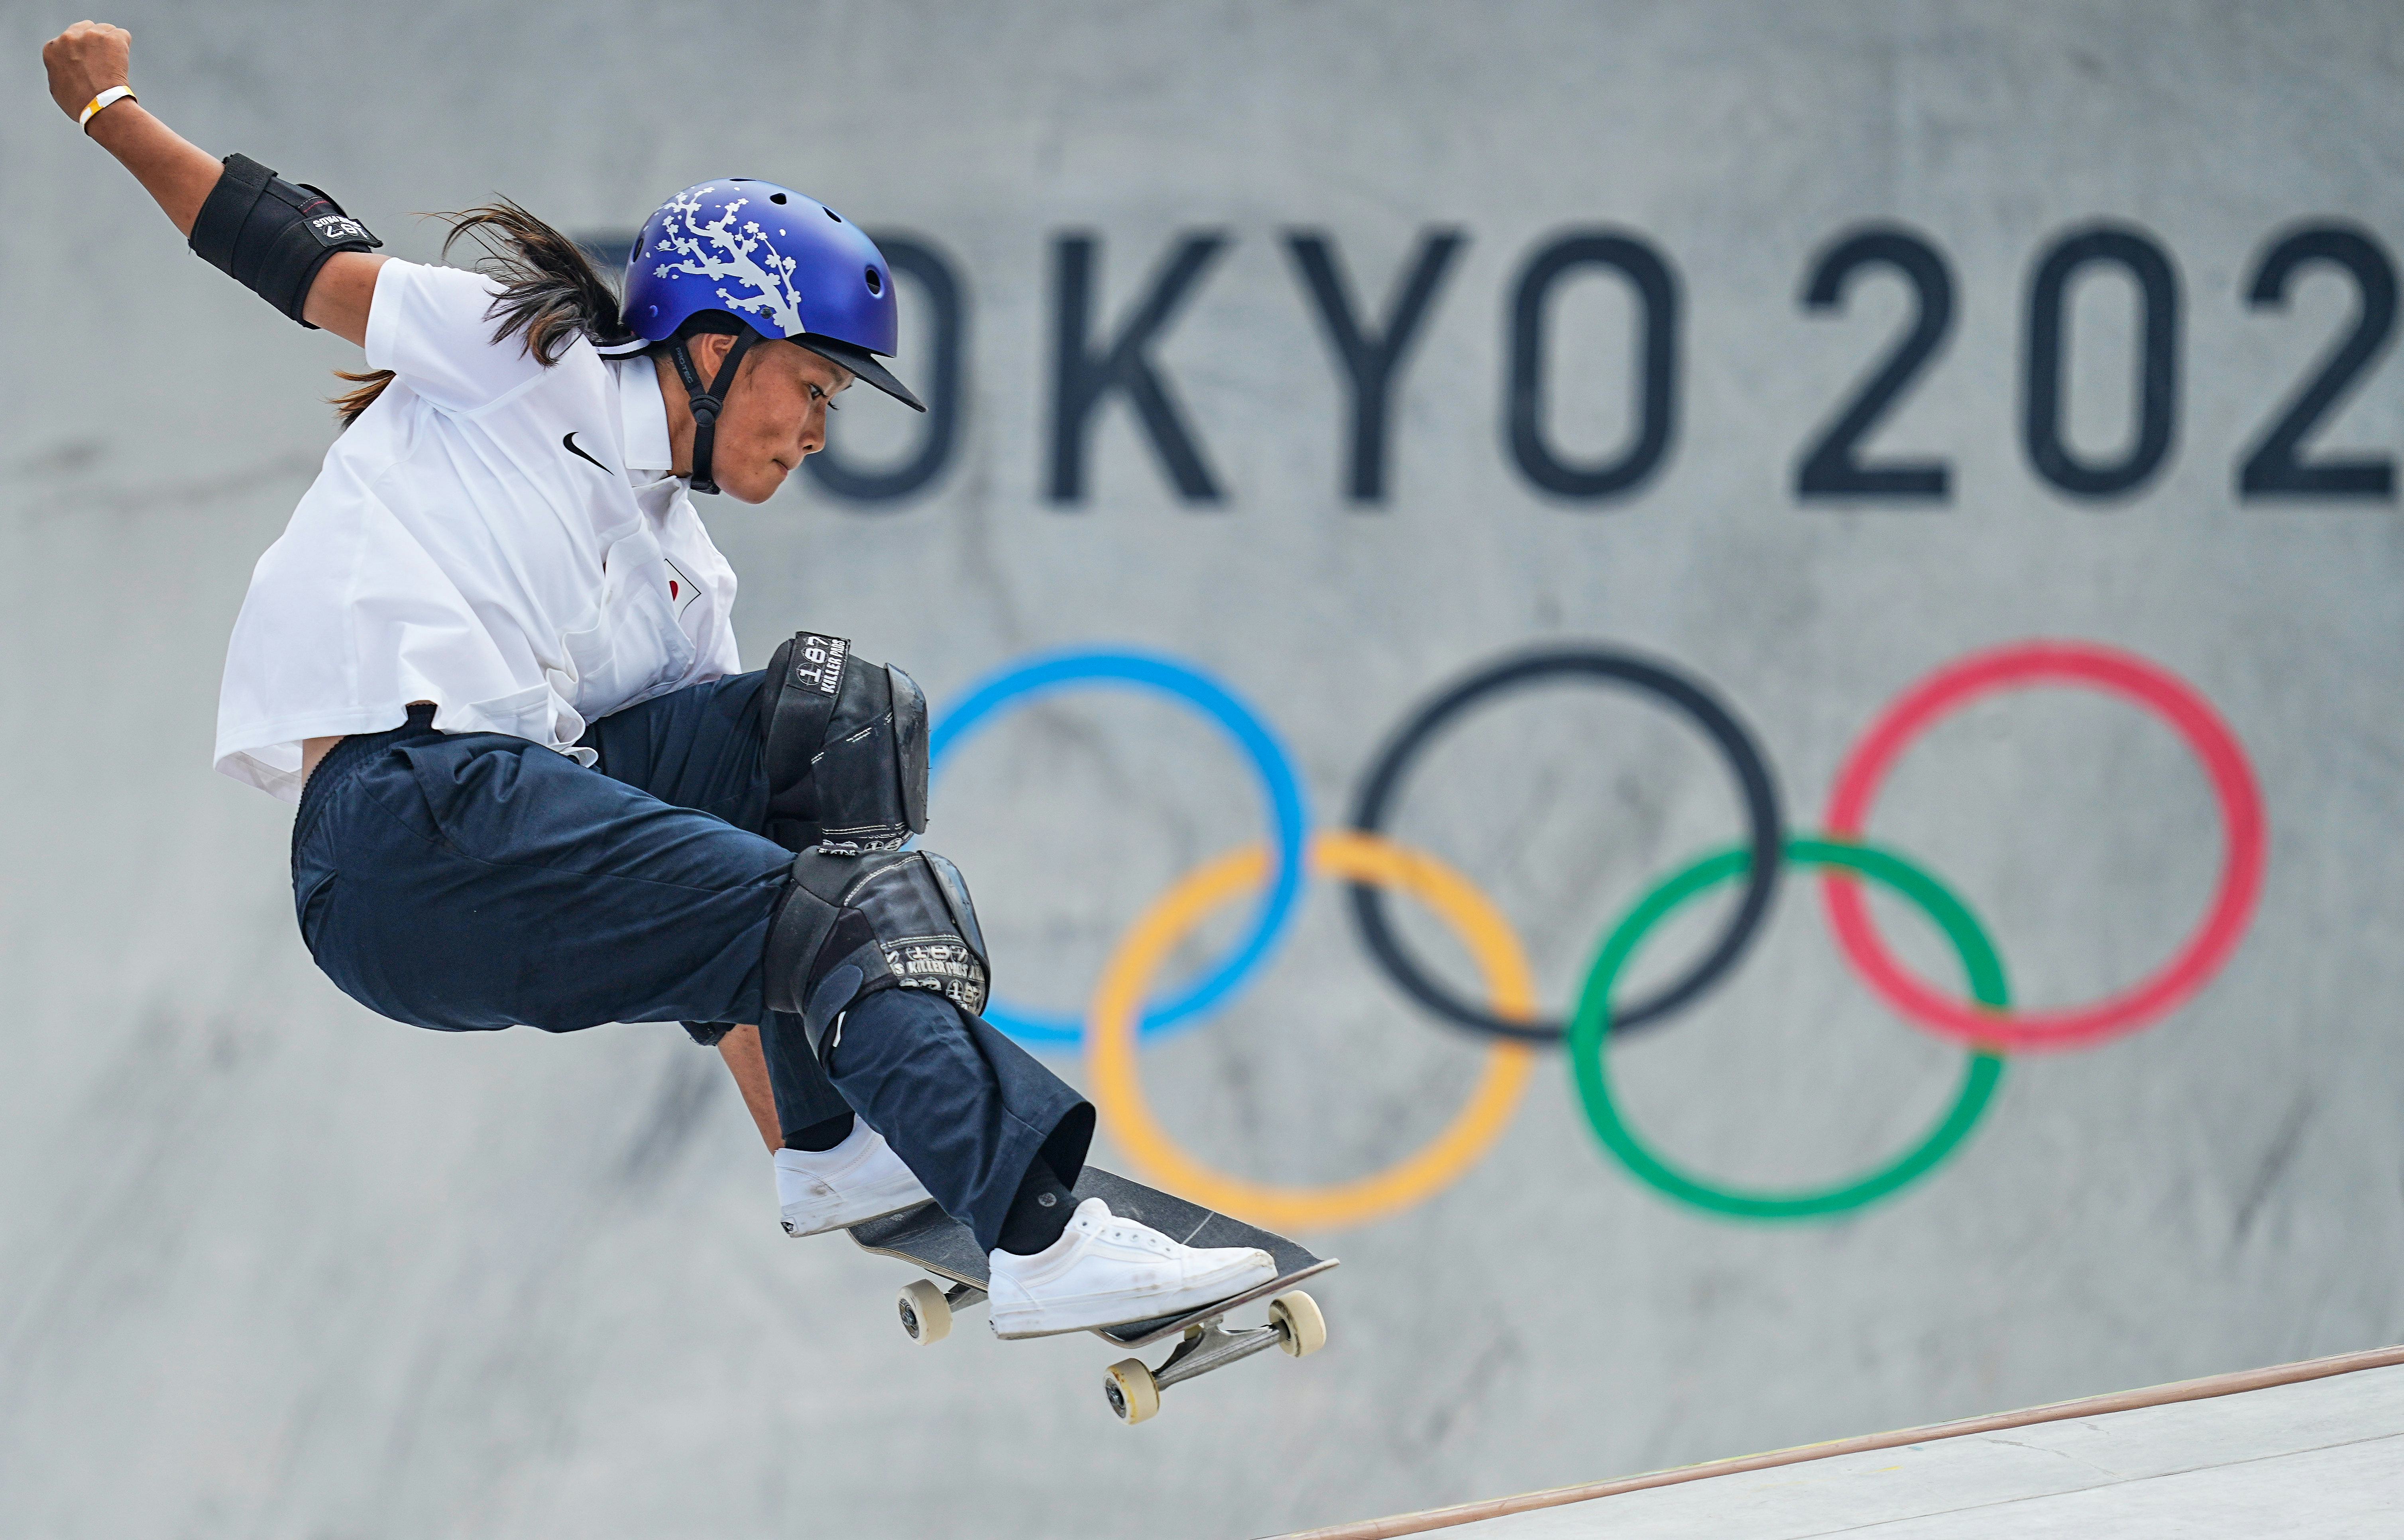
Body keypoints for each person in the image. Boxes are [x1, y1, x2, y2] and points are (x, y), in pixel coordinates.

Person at [43, 18, 1276, 1337]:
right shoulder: (525, 362)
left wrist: (813, 1155)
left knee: (832, 724)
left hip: (519, 818)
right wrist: (105, 104)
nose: (814, 431)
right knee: (854, 907)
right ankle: (1041, 1236)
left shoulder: (687, 582)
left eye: (832, 407)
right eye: (807, 386)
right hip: (399, 834)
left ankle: (824, 1141)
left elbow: (734, 906)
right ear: (710, 343)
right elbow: (293, 251)